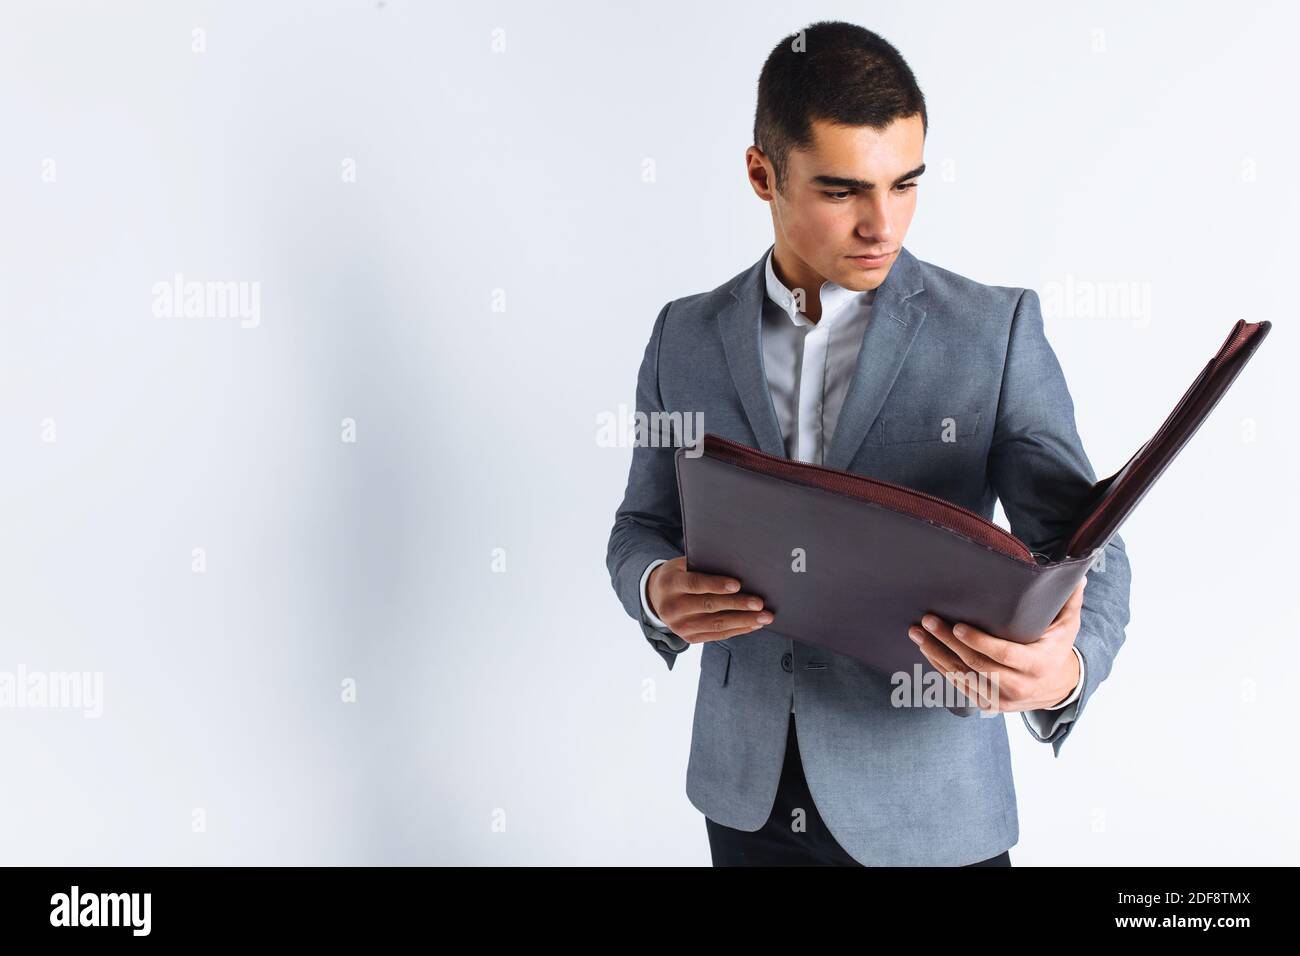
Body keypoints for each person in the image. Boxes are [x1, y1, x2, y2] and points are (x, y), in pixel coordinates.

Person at [606, 20, 1132, 866]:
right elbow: (639, 525)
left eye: (907, 183)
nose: (882, 224)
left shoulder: (994, 333)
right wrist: (655, 588)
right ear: (760, 174)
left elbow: (1089, 551)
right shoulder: (684, 338)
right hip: (746, 799)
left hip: (931, 808)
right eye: (843, 190)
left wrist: (1064, 671)